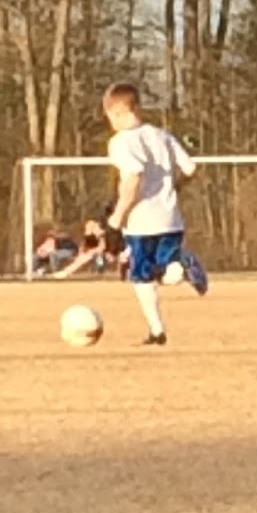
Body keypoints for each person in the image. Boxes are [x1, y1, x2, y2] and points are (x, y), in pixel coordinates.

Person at [103, 82, 209, 346]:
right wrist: (172, 188)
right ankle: (158, 329)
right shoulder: (161, 135)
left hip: (141, 221)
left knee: (141, 275)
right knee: (162, 271)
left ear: (116, 112)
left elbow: (132, 179)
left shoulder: (121, 142)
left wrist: (116, 220)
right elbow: (190, 168)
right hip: (171, 218)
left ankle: (157, 329)